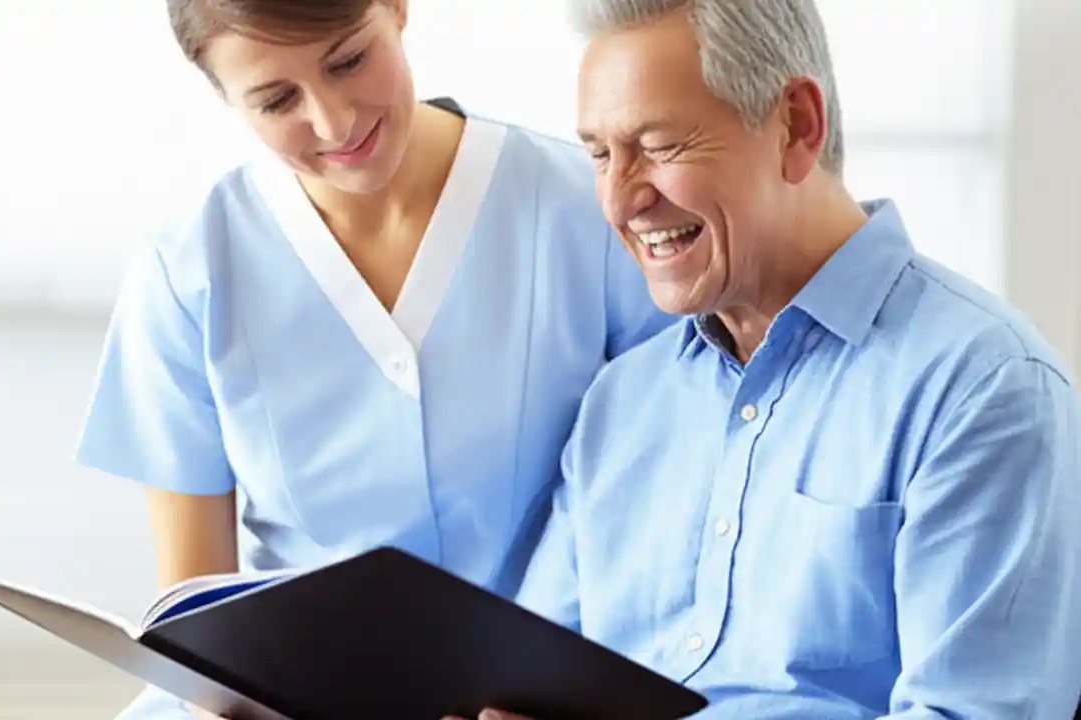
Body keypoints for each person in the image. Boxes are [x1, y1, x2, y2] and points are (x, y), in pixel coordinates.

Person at [447, 0, 1081, 718]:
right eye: (599, 155)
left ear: (796, 126)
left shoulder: (983, 389)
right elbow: (530, 686)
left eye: (659, 145)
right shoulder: (620, 404)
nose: (621, 200)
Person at [73, 0, 673, 717]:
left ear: (396, 8)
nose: (335, 122)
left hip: (540, 693)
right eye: (275, 100)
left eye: (349, 60)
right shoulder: (188, 271)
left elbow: (662, 517)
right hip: (288, 698)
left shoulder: (587, 211)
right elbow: (194, 626)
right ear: (223, 96)